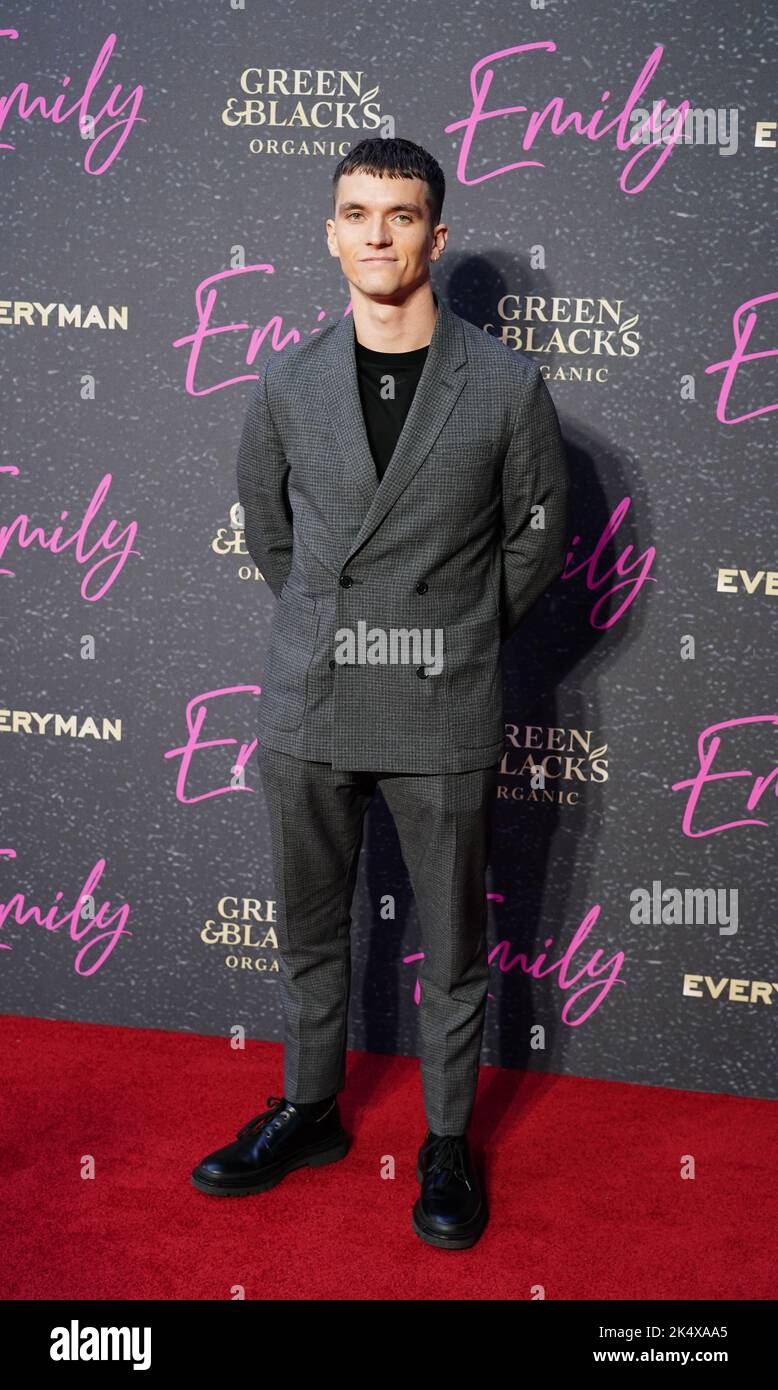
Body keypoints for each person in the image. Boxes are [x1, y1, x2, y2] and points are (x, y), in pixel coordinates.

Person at [191, 137, 568, 1250]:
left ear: (434, 237)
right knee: (312, 930)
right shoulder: (285, 380)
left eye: (400, 215)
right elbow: (269, 533)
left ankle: (446, 1141)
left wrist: (449, 635)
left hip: (439, 701)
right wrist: (329, 626)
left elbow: (535, 540)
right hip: (309, 701)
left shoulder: (505, 385)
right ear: (330, 232)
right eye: (356, 212)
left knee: (451, 945)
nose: (376, 233)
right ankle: (309, 1110)